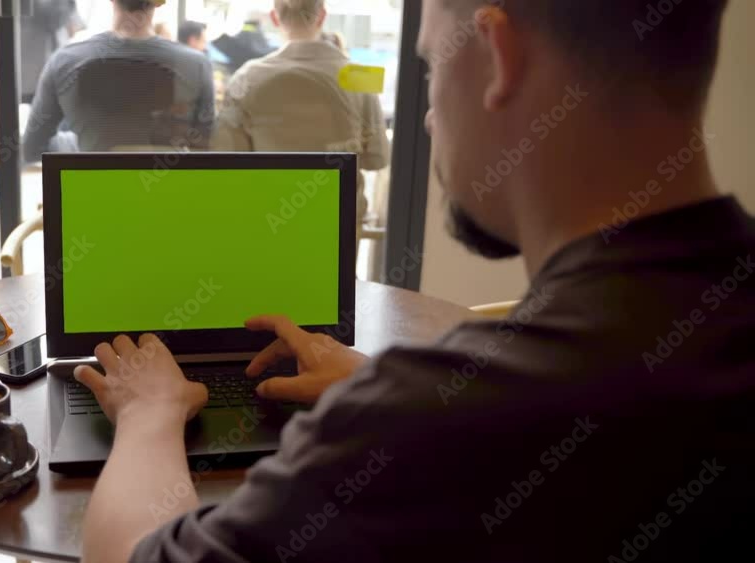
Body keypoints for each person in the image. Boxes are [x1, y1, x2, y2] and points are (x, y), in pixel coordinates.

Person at [71, 0, 755, 562]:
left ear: (497, 55)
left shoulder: (429, 423)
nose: (428, 114)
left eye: (428, 67)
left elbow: (133, 554)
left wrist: (149, 412)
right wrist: (376, 381)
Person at [0, 0, 214, 235]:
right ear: (158, 4)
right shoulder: (197, 64)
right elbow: (206, 145)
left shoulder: (65, 60)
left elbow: (31, 148)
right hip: (170, 216)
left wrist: (80, 143)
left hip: (90, 213)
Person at [211, 0, 390, 236]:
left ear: (275, 18)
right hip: (338, 224)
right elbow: (377, 158)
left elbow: (225, 157)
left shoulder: (246, 78)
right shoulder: (360, 76)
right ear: (322, 16)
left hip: (269, 220)